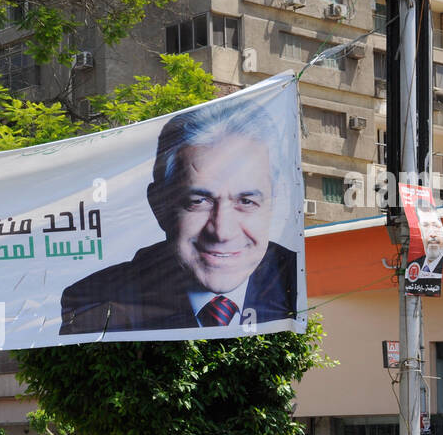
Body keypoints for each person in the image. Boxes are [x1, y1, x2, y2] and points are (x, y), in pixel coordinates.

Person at [60, 96, 298, 334]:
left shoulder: (301, 282)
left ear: (274, 201)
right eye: (198, 201)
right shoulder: (95, 300)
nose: (222, 232)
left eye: (246, 201)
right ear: (159, 205)